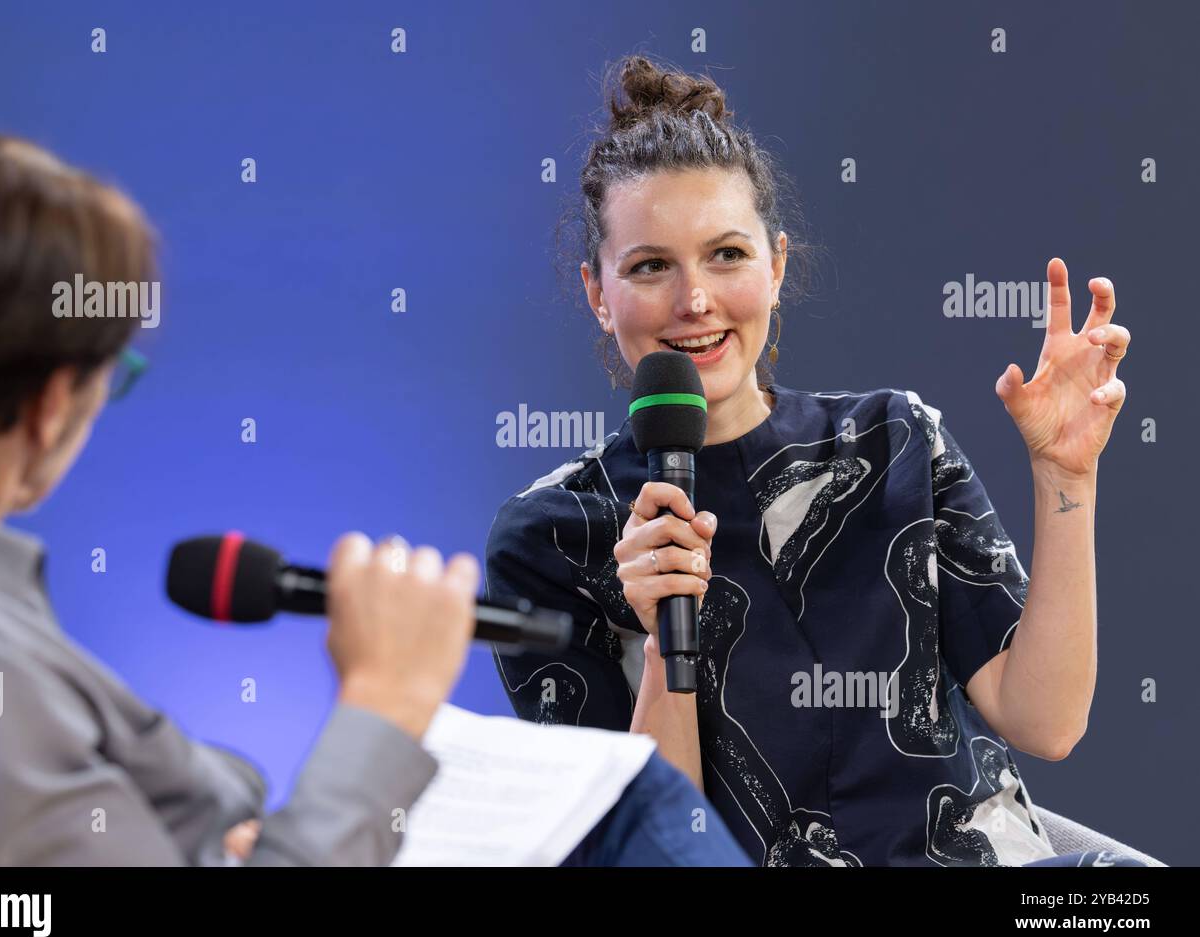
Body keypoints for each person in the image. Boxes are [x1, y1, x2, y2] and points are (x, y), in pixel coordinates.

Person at [0, 133, 753, 867]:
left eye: (728, 253)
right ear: (53, 405)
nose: (695, 299)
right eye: (112, 377)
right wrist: (381, 701)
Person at [486, 55, 1143, 867]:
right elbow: (655, 854)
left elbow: (1047, 720)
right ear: (598, 291)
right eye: (651, 266)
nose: (695, 299)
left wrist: (1066, 478)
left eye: (726, 254)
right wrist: (663, 644)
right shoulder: (551, 536)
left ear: (778, 264)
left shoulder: (897, 438)